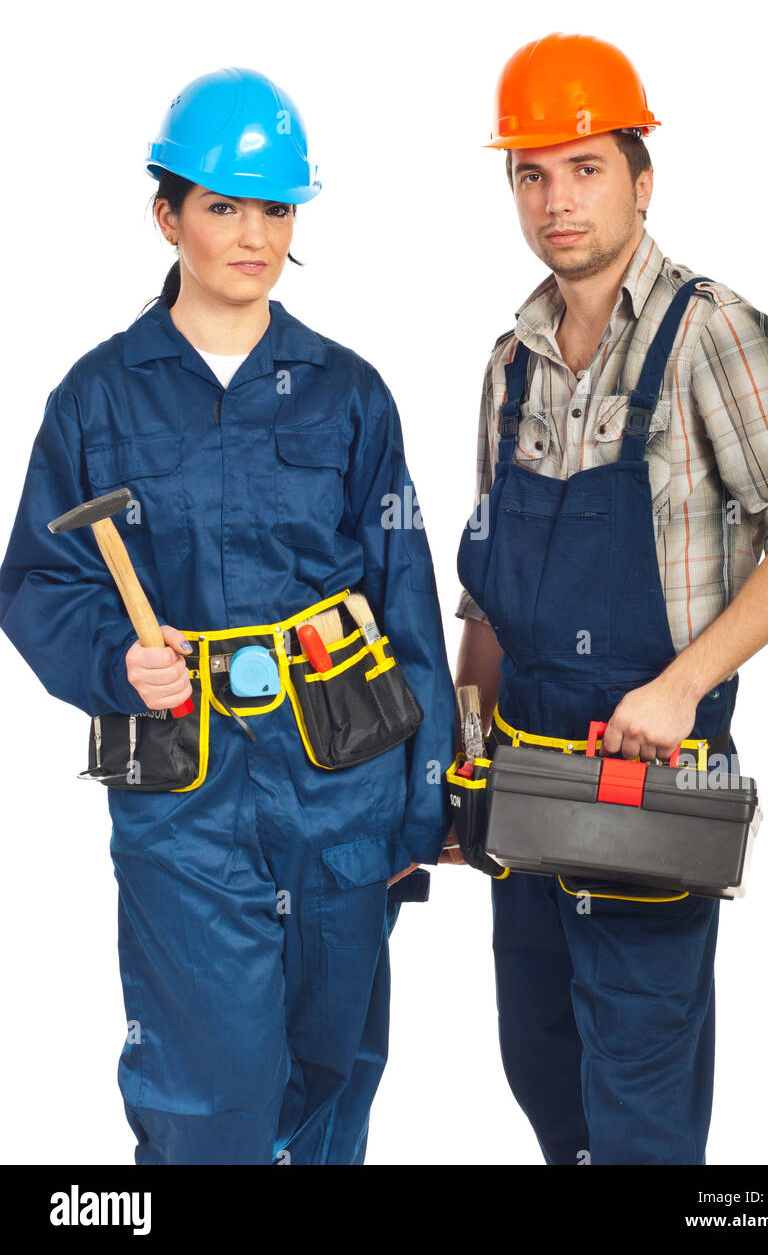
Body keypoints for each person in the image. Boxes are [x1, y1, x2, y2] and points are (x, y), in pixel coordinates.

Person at [0, 66, 454, 1165]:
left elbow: (406, 590)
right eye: (222, 206)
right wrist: (116, 660)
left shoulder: (349, 393)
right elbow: (34, 581)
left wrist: (423, 794)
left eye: (275, 209)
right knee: (205, 1098)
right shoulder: (98, 397)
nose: (253, 235)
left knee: (332, 1067)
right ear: (167, 215)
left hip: (342, 780)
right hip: (184, 793)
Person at [450, 33, 768, 1165]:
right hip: (520, 786)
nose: (556, 199)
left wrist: (683, 685)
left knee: (637, 1094)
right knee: (541, 1066)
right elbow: (487, 584)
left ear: (641, 177)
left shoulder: (711, 332)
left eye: (584, 166)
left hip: (648, 778)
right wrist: (461, 751)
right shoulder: (510, 361)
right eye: (531, 173)